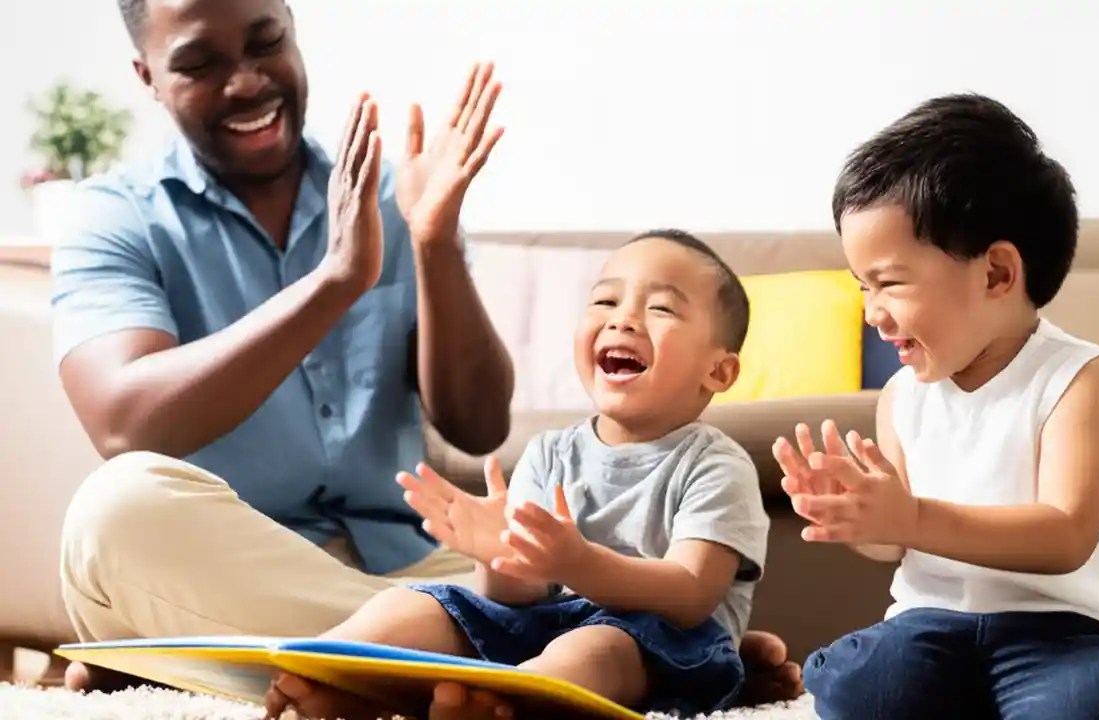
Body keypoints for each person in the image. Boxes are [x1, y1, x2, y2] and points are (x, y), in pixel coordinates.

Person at [52, 0, 800, 711]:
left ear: (292, 30)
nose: (246, 80)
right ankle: (635, 663)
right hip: (233, 559)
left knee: (454, 610)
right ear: (147, 75)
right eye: (199, 62)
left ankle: (237, 667)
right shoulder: (113, 215)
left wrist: (434, 241)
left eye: (265, 41)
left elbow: (475, 427)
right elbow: (127, 422)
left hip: (415, 568)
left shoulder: (397, 194)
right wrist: (335, 283)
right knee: (114, 510)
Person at [773, 94, 1099, 719]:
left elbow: (1066, 534)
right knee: (866, 684)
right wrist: (866, 517)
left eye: (889, 282)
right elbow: (899, 546)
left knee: (1096, 702)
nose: (871, 311)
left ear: (996, 274)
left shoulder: (1080, 377)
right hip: (929, 626)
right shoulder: (903, 397)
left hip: (1064, 632)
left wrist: (909, 514)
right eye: (863, 286)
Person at [262, 230, 772, 720]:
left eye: (660, 308)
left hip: (666, 646)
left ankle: (507, 701)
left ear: (718, 372)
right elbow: (511, 598)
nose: (623, 321)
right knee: (414, 605)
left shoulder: (715, 464)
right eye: (604, 302)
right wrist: (500, 558)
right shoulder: (551, 452)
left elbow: (691, 594)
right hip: (541, 627)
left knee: (596, 645)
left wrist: (578, 563)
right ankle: (332, 669)